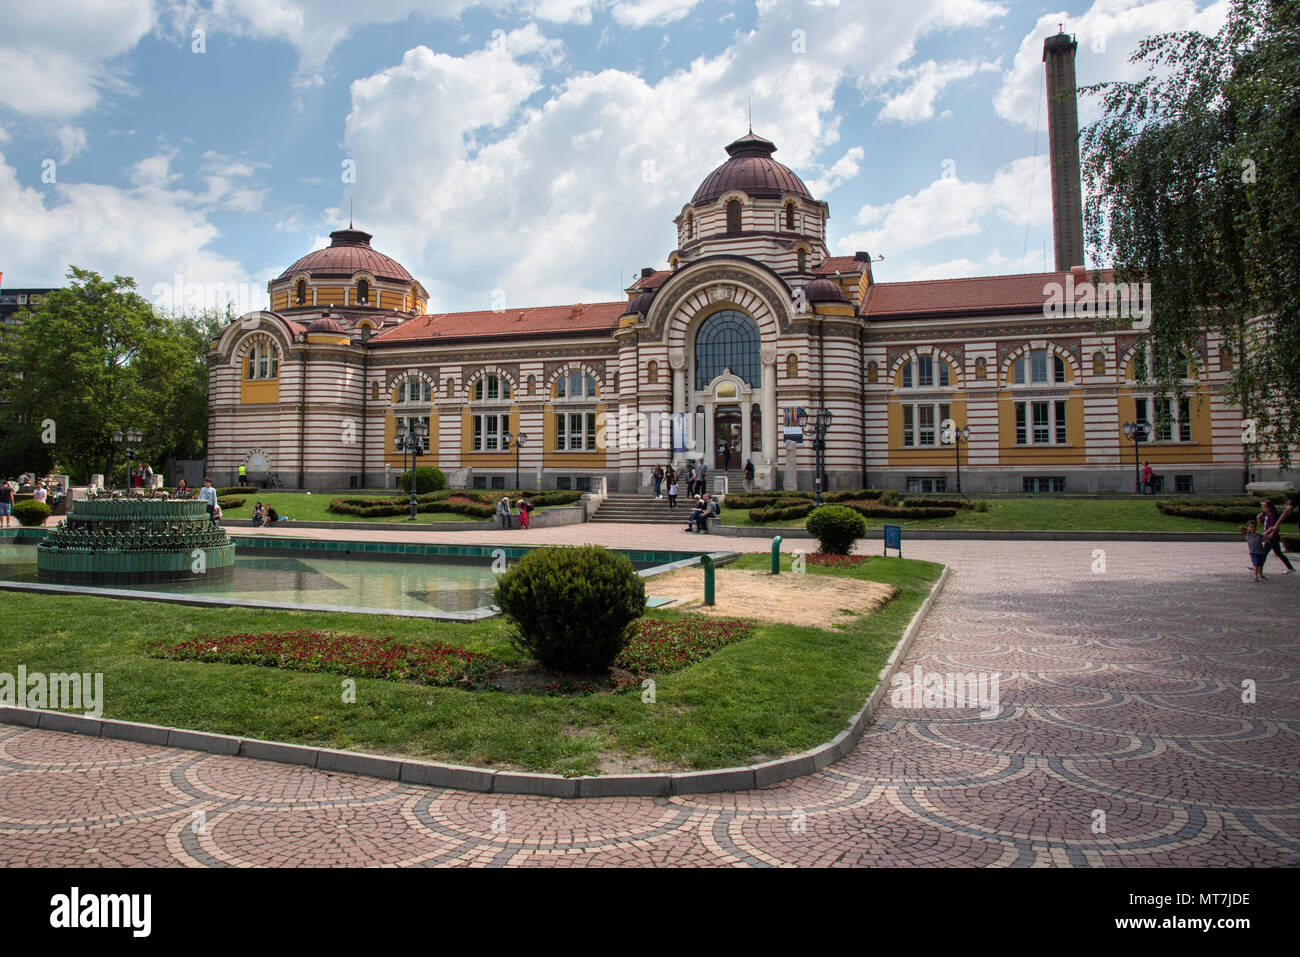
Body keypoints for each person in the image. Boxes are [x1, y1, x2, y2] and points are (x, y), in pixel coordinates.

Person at [1258, 501, 1295, 573]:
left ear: (1269, 508)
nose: (1263, 509)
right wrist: (1259, 516)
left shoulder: (1272, 515)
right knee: (1264, 553)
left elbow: (1273, 527)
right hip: (1268, 537)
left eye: (1265, 507)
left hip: (1272, 537)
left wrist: (1266, 534)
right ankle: (1258, 566)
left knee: (1277, 553)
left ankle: (1290, 567)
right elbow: (1260, 522)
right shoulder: (1267, 515)